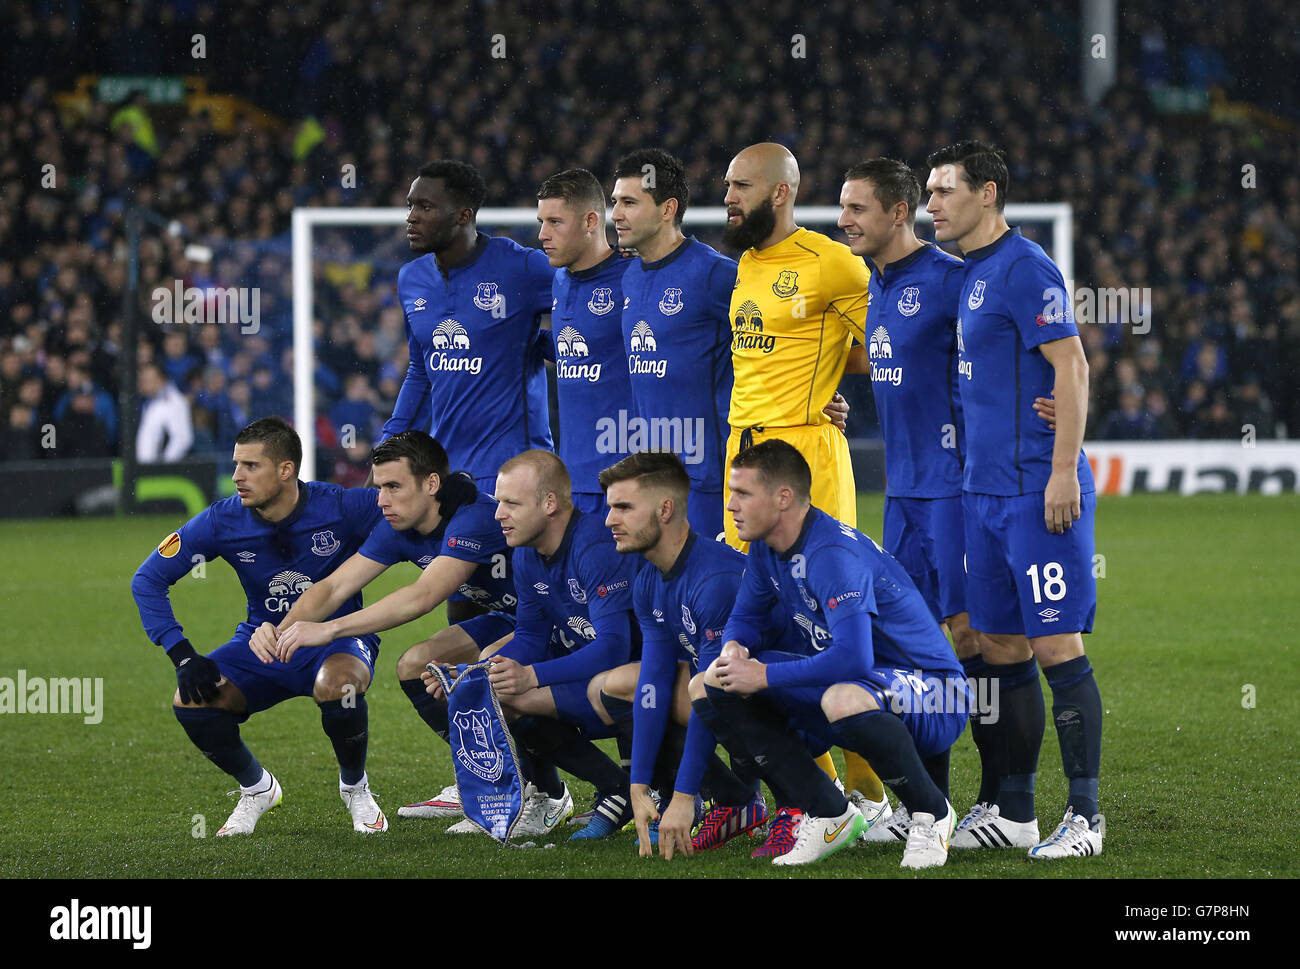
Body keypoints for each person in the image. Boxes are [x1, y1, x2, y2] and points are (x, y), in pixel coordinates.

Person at [251, 430, 570, 836]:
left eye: (393, 486)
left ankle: (549, 795)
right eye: (380, 486)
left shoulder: (473, 516)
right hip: (509, 616)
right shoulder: (397, 526)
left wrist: (328, 630)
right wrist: (280, 632)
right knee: (417, 665)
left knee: (489, 673)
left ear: (431, 484)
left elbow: (423, 596)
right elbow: (333, 586)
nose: (381, 499)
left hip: (551, 618)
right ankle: (485, 780)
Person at [925, 140, 1103, 859]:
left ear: (988, 192)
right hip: (982, 492)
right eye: (930, 191)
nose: (932, 203)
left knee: (1058, 643)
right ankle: (1017, 809)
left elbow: (1073, 364)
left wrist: (1063, 471)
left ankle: (1087, 816)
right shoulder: (972, 275)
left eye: (944, 190)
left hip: (1037, 490)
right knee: (997, 644)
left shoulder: (1027, 268)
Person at [694, 440, 970, 867]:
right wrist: (734, 648)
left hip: (935, 694)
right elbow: (746, 617)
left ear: (783, 498)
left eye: (743, 493)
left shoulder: (831, 555)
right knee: (712, 680)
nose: (730, 506)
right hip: (865, 685)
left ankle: (932, 813)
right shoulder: (768, 547)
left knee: (841, 697)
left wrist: (763, 676)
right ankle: (828, 812)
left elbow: (855, 659)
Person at [720, 141, 885, 811]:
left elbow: (886, 349)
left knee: (826, 625)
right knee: (760, 628)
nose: (727, 197)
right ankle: (823, 794)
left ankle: (876, 793)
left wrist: (828, 389)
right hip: (745, 459)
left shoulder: (832, 263)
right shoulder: (747, 265)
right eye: (726, 186)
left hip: (808, 461)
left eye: (739, 186)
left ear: (780, 192)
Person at [130, 417, 387, 836]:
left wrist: (456, 495)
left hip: (334, 640)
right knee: (190, 700)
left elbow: (413, 512)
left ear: (286, 470)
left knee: (339, 684)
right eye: (236, 465)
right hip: (261, 644)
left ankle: (355, 788)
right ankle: (257, 789)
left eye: (250, 466)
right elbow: (148, 579)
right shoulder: (221, 521)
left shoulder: (340, 506)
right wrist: (182, 653)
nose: (236, 477)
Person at [837, 157, 988, 841]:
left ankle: (1002, 801)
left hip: (953, 491)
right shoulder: (871, 285)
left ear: (898, 213)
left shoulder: (952, 281)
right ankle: (928, 803)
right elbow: (885, 365)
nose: (844, 221)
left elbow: (1013, 353)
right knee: (913, 646)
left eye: (857, 209)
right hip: (901, 494)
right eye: (842, 208)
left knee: (971, 637)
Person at [612, 146, 851, 541]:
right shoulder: (628, 275)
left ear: (667, 209)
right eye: (615, 202)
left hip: (706, 478)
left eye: (629, 203)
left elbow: (785, 334)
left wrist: (822, 387)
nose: (616, 213)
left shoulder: (717, 275)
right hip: (651, 476)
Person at [385, 159, 555, 630]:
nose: (411, 216)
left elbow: (582, 322)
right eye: (409, 205)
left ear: (463, 214)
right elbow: (421, 371)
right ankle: (467, 704)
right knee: (463, 617)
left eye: (425, 206)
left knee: (533, 620)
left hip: (518, 475)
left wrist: (539, 342)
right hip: (452, 480)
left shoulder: (522, 267)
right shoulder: (411, 279)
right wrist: (390, 441)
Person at [453, 449, 643, 840]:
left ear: (549, 503)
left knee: (518, 691)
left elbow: (614, 648)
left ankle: (672, 788)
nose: (498, 513)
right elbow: (530, 636)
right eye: (499, 501)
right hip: (595, 678)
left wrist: (531, 676)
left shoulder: (594, 547)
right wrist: (468, 676)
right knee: (495, 689)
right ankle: (611, 787)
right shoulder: (525, 552)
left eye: (511, 503)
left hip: (641, 684)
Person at [596, 451, 770, 860]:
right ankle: (736, 801)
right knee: (624, 687)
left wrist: (684, 795)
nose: (609, 520)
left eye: (623, 507)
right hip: (733, 697)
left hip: (792, 704)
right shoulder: (648, 579)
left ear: (665, 509)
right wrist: (638, 783)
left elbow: (714, 691)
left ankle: (805, 804)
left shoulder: (714, 580)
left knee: (707, 687)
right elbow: (653, 681)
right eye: (610, 507)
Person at [536, 168, 635, 515]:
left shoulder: (635, 276)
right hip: (573, 480)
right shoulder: (559, 279)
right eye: (541, 221)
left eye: (555, 222)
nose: (542, 234)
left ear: (591, 220)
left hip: (627, 478)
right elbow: (577, 346)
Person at [136, 361, 194, 462]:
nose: (143, 384)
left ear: (161, 380)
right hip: (144, 471)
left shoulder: (174, 402)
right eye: (142, 380)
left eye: (147, 380)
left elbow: (182, 439)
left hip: (162, 472)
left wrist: (163, 465)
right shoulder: (148, 402)